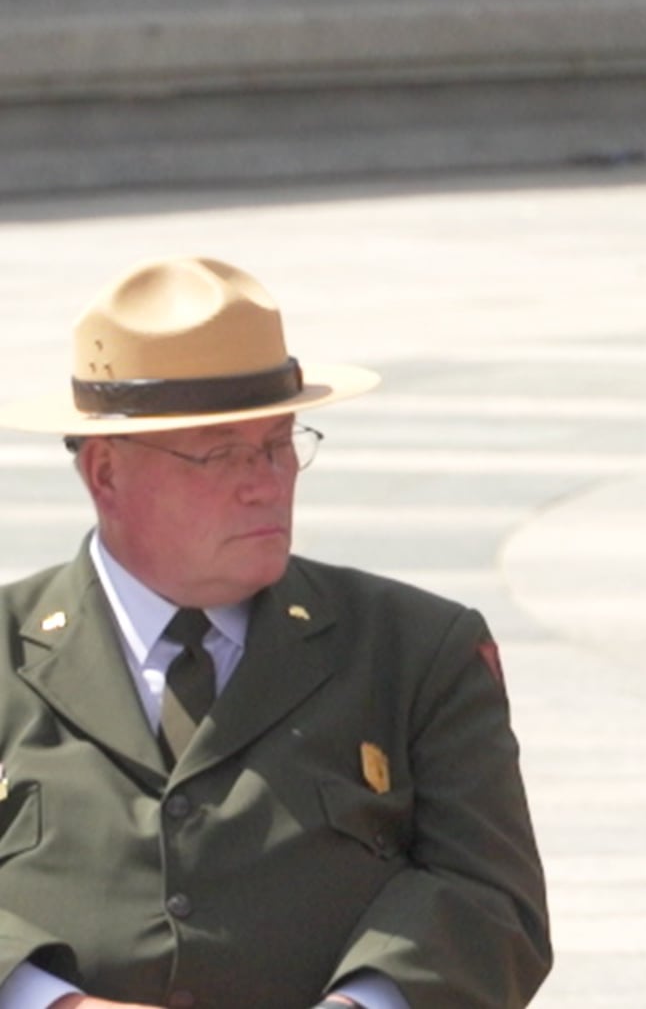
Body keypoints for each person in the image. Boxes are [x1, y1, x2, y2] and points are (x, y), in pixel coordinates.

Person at [0, 257, 550, 1009]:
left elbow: (491, 901)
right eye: (221, 452)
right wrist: (48, 1003)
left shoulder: (413, 650)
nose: (268, 480)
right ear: (106, 474)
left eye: (279, 442)